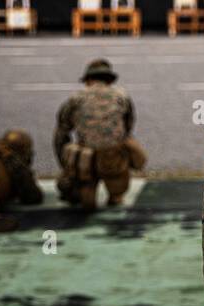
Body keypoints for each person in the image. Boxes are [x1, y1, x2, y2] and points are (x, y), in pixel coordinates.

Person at [54, 58, 145, 210]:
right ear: (109, 80)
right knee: (125, 146)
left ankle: (82, 187)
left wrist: (66, 165)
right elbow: (128, 127)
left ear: (88, 80)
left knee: (78, 196)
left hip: (84, 159)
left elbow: (61, 133)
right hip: (113, 159)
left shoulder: (75, 98)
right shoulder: (121, 96)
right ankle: (115, 195)